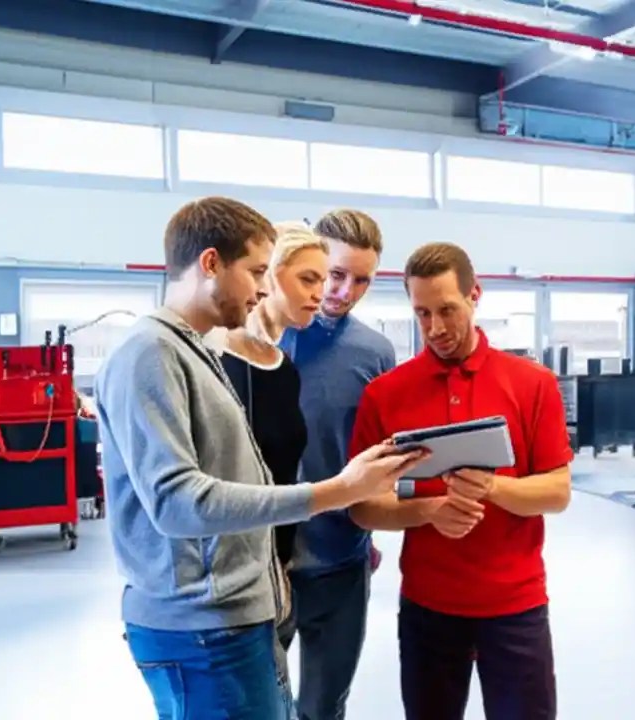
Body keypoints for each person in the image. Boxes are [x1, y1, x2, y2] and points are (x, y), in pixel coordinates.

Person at [94, 196, 426, 720]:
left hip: (246, 604)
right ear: (210, 265)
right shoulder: (153, 353)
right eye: (257, 272)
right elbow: (179, 502)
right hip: (203, 620)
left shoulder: (196, 352)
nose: (264, 288)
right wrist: (334, 492)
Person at [348, 241, 574, 720]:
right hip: (429, 608)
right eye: (422, 313)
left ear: (476, 296)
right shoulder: (385, 395)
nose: (436, 328)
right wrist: (427, 511)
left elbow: (556, 492)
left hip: (515, 605)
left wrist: (492, 487)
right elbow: (363, 507)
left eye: (447, 309)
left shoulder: (533, 384)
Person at [278, 208, 396, 720]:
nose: (345, 291)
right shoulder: (259, 339)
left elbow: (378, 455)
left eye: (362, 280)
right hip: (267, 564)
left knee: (325, 707)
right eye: (335, 273)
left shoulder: (375, 353)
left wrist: (368, 531)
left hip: (341, 561)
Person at [214, 220, 332, 694]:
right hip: (228, 589)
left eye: (323, 281)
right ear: (269, 275)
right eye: (308, 279)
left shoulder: (285, 369)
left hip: (278, 576)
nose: (320, 294)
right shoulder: (216, 360)